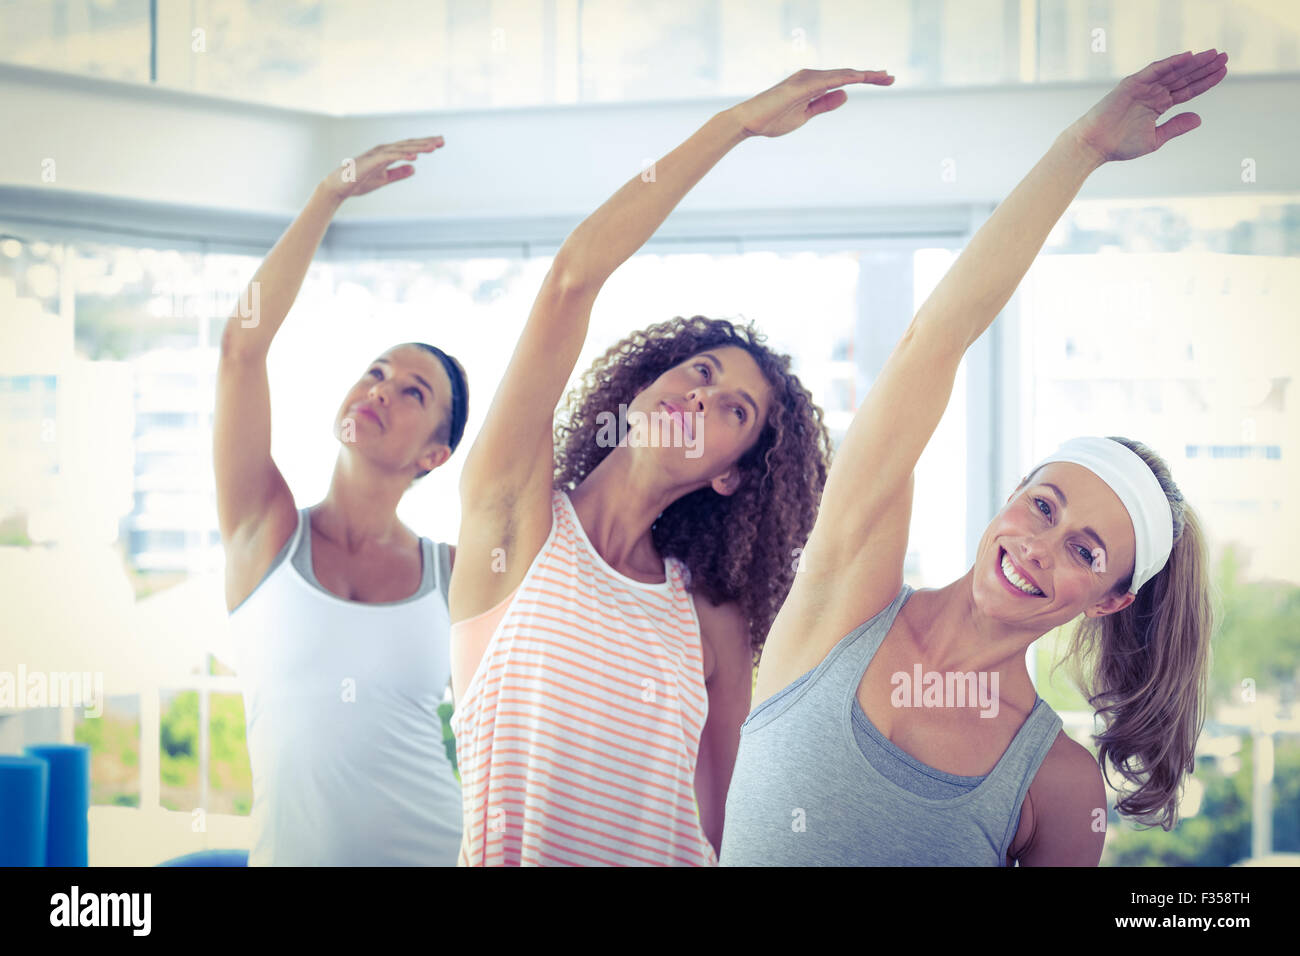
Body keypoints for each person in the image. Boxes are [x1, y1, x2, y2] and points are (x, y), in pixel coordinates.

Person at [719, 49, 1227, 867]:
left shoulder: (1057, 786)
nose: (1038, 545)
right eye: (1045, 506)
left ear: (1108, 601)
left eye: (1084, 552)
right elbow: (934, 341)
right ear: (1014, 494)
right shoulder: (845, 599)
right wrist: (1082, 149)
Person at [446, 68, 891, 866]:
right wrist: (737, 125)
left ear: (731, 475)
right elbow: (570, 281)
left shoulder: (708, 618)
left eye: (736, 412)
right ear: (648, 383)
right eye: (702, 372)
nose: (702, 396)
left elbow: (738, 829)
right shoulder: (514, 517)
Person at [216, 137, 470, 865]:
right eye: (376, 371)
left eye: (412, 392)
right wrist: (327, 197)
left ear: (434, 455)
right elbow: (241, 349)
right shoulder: (264, 534)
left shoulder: (452, 574)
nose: (381, 389)